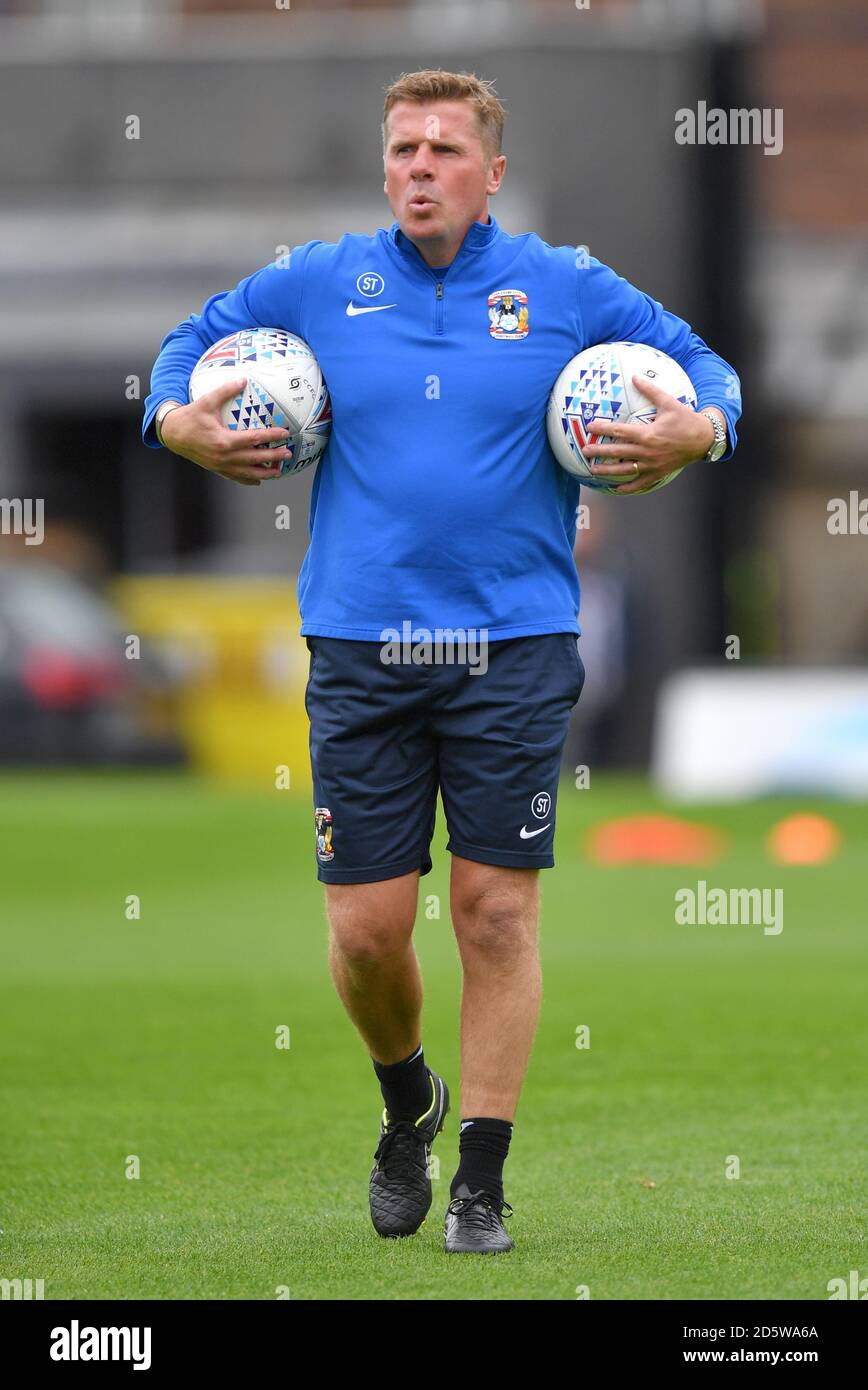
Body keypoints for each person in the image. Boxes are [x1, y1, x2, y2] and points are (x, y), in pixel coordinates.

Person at [142, 68, 741, 1255]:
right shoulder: (317, 281)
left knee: (493, 912)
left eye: (445, 150)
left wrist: (697, 428)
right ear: (385, 167)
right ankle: (407, 1098)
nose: (420, 166)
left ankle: (482, 1177)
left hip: (512, 645)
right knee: (367, 933)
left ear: (491, 174)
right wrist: (177, 419)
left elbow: (704, 369)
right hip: (362, 647)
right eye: (404, 148)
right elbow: (185, 346)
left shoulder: (565, 286)